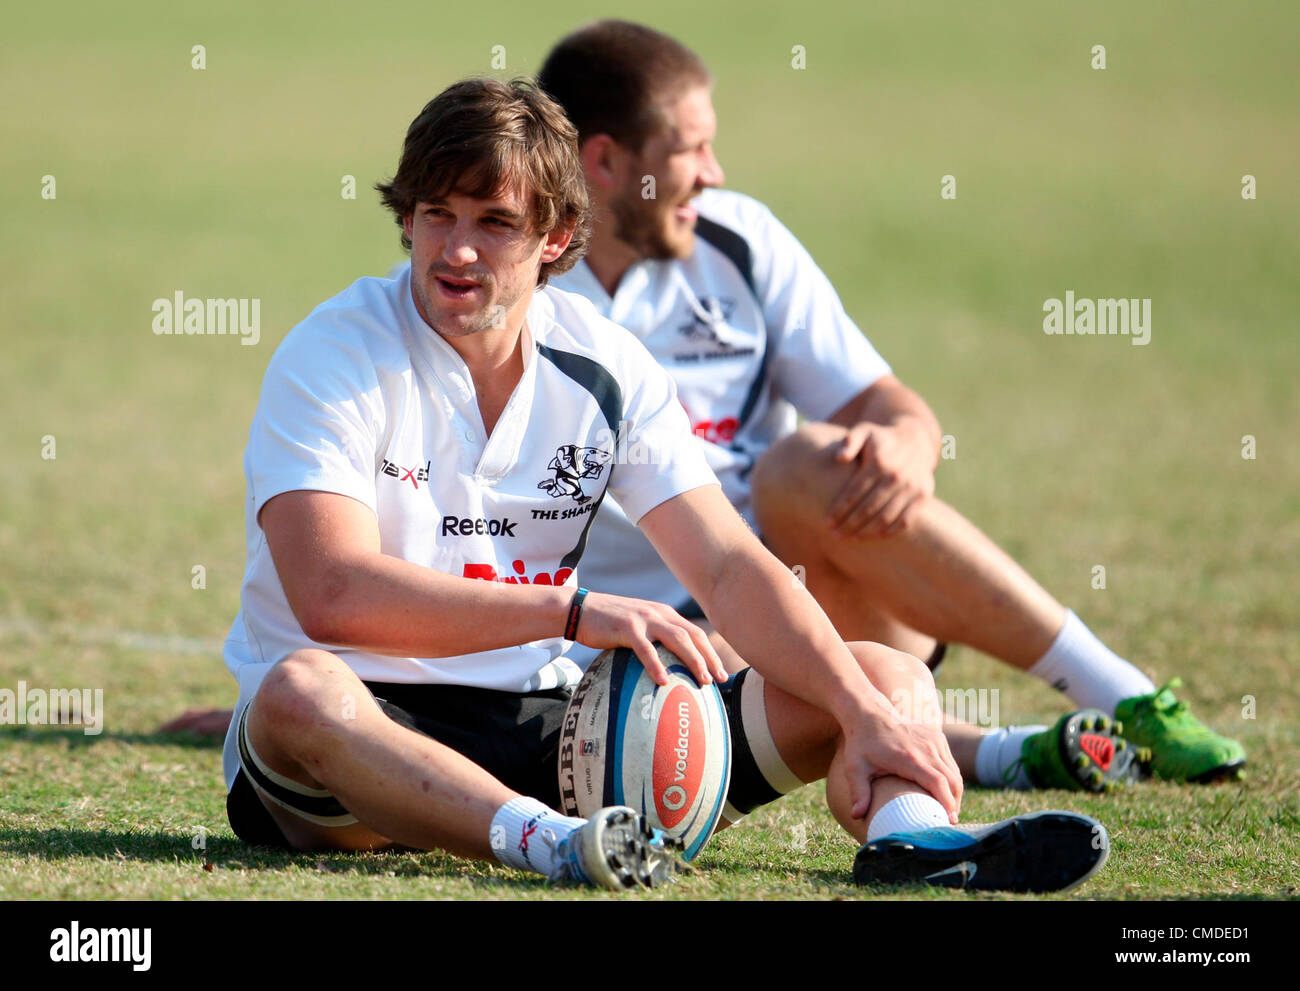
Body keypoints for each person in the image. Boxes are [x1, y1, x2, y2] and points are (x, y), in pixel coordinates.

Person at [217, 76, 1109, 892]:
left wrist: (859, 711)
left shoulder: (604, 365)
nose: (456, 249)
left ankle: (914, 841)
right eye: (435, 214)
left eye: (495, 222)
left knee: (880, 673)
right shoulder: (334, 354)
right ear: (405, 217)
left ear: (557, 237)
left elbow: (725, 565)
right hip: (352, 744)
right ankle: (557, 846)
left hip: (552, 727)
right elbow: (330, 592)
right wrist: (573, 613)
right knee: (298, 688)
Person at [534, 20, 1245, 789]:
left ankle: (1127, 696)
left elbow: (885, 402)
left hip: (798, 585)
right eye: (689, 150)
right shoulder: (524, 293)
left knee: (803, 466)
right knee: (686, 671)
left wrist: (908, 440)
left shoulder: (739, 240)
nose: (714, 172)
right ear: (605, 162)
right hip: (655, 636)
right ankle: (1009, 755)